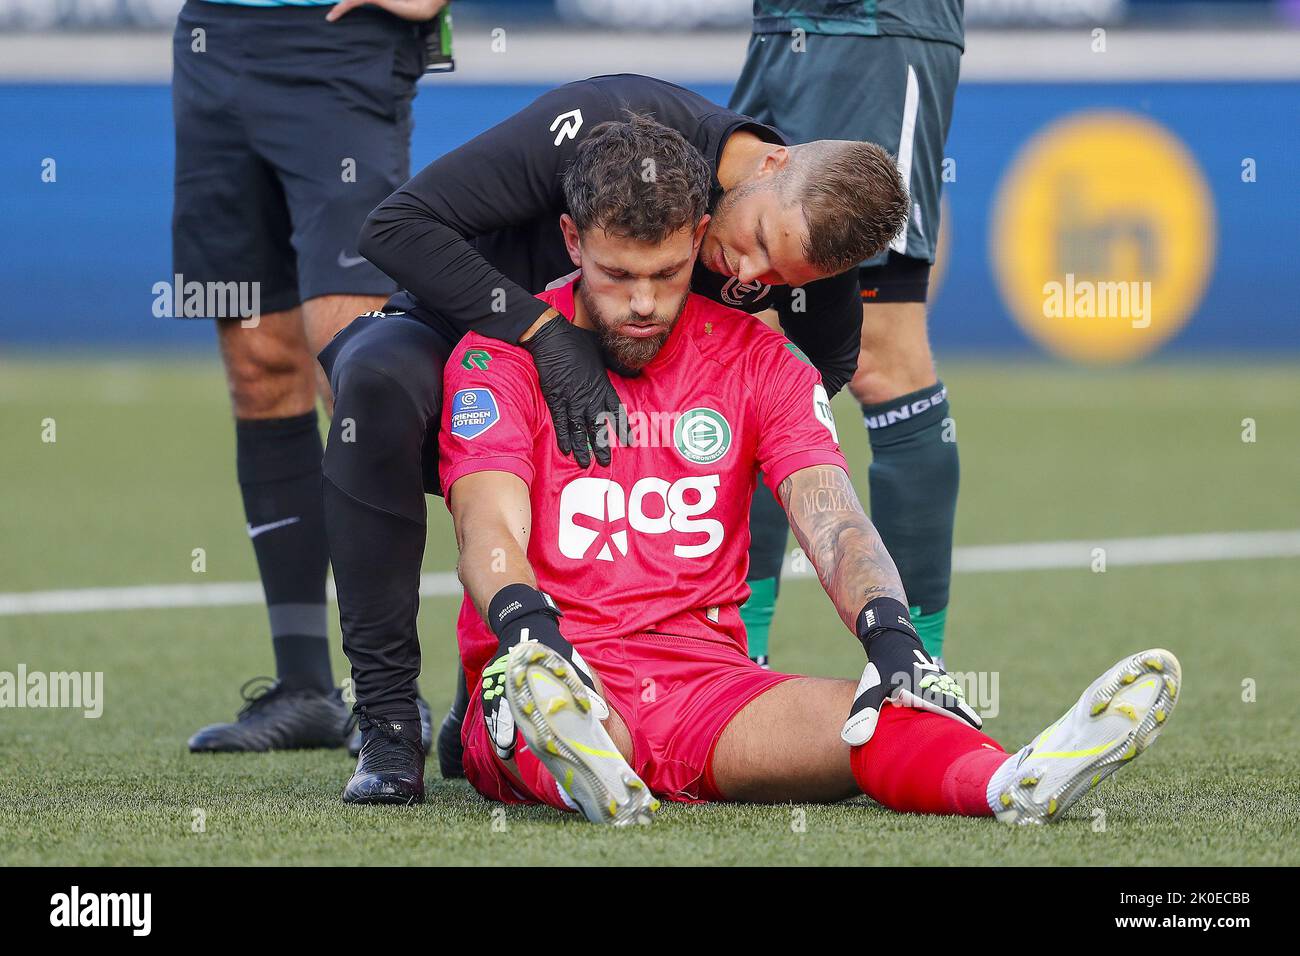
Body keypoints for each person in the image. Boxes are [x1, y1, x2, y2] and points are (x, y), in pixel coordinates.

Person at [438, 116, 1181, 825]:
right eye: (618, 275)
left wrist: (892, 635)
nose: (641, 303)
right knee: (557, 711)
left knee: (874, 716)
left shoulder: (763, 363)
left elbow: (834, 520)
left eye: (666, 275)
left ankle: (1006, 782)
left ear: (699, 240)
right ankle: (570, 739)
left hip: (709, 692)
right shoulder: (498, 354)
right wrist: (527, 630)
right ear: (572, 240)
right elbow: (487, 524)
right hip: (554, 659)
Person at [321, 75, 909, 803]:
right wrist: (540, 333)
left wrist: (712, 425)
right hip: (478, 337)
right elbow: (397, 226)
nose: (749, 273)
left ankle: (500, 688)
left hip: (616, 379)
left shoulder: (801, 242)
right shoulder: (608, 118)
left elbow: (820, 374)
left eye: (779, 276)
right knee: (373, 383)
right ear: (773, 162)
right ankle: (385, 721)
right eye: (755, 241)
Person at [174, 0, 446, 753]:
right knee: (258, 365)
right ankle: (303, 689)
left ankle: (393, 695)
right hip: (212, 37)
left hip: (338, 43)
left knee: (359, 370)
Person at [730, 0, 966, 666]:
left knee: (879, 354)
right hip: (785, 25)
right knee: (742, 343)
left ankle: (920, 673)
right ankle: (729, 663)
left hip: (873, 33)